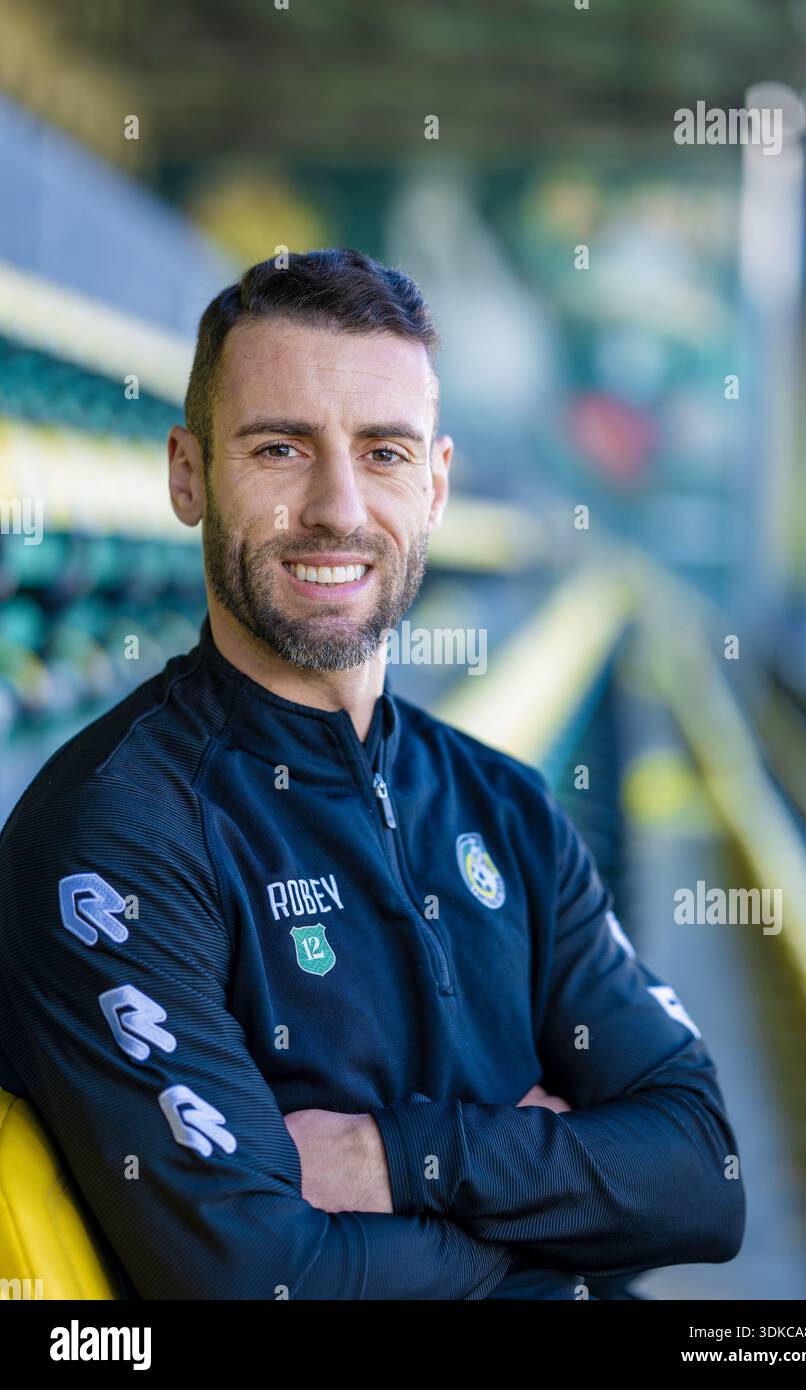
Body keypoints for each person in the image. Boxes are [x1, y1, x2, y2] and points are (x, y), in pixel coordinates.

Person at [0, 249, 745, 1299]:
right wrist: (559, 1222)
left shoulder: (504, 806)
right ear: (186, 473)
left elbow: (701, 1179)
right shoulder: (116, 832)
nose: (337, 507)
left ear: (435, 485)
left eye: (383, 452)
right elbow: (260, 1281)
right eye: (278, 448)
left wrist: (400, 1158)